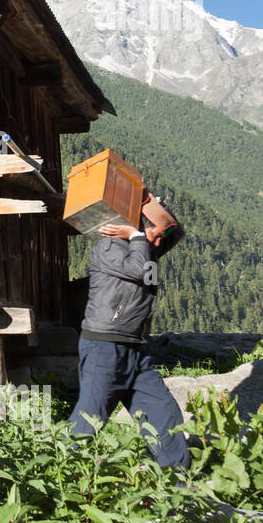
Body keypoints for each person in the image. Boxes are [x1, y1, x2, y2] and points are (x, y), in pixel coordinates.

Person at [67, 193, 189, 469]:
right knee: (89, 419)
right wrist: (135, 236)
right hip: (104, 347)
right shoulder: (109, 246)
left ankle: (176, 482)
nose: (160, 243)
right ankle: (58, 476)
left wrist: (146, 202)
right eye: (154, 235)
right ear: (135, 226)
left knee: (164, 415)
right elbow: (137, 270)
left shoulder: (146, 248)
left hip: (136, 349)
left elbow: (174, 231)